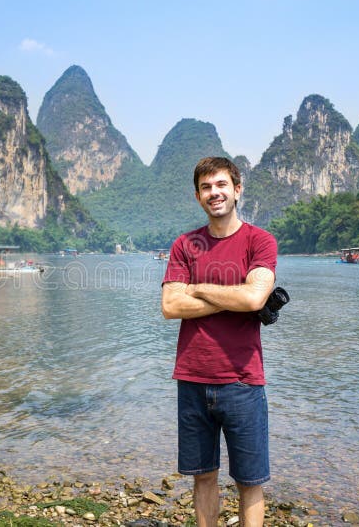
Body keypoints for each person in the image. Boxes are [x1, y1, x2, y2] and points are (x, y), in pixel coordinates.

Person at [161, 157, 277, 527]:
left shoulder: (260, 241)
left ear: (237, 189)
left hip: (242, 380)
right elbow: (170, 305)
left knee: (250, 481)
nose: (215, 193)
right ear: (198, 197)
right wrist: (234, 293)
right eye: (207, 188)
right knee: (202, 474)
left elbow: (254, 300)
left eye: (222, 185)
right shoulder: (185, 245)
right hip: (193, 378)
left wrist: (197, 287)